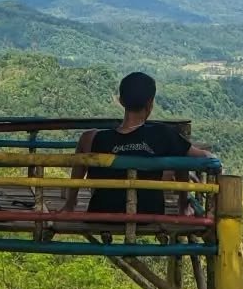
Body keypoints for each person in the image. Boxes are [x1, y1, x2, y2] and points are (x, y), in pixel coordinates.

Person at [71, 71, 209, 217]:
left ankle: (69, 204)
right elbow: (206, 157)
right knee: (180, 155)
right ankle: (183, 207)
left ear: (121, 101)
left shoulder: (90, 138)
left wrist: (68, 205)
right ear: (150, 103)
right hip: (149, 214)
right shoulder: (163, 134)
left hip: (102, 213)